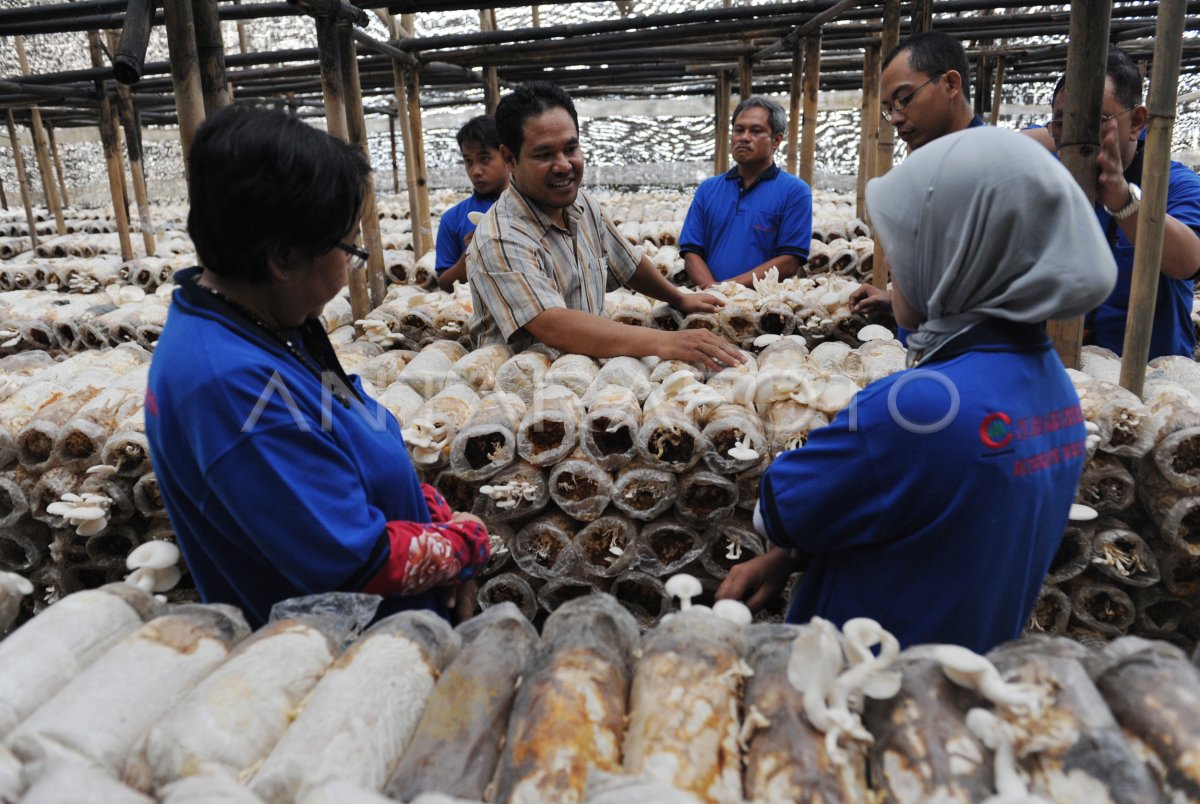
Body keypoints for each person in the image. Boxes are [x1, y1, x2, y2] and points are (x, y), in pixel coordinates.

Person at [716, 128, 1117, 652]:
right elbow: (945, 522)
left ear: (958, 257)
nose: (893, 269)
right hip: (965, 671)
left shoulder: (921, 406)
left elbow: (781, 510)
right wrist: (791, 561)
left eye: (909, 247)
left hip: (874, 688)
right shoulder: (1052, 388)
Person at [145, 106, 490, 628]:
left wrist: (431, 512)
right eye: (349, 246)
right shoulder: (231, 384)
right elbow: (354, 562)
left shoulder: (277, 325)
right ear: (283, 259)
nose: (353, 263)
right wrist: (464, 547)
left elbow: (341, 418)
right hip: (339, 656)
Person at [467, 81, 744, 371]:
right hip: (525, 393)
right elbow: (553, 325)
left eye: (570, 148)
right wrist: (663, 341)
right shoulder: (500, 237)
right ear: (510, 158)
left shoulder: (582, 205)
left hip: (588, 375)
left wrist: (678, 298)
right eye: (544, 154)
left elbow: (629, 263)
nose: (563, 165)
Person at [1034, 48, 1200, 359]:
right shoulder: (1051, 184)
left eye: (1094, 120)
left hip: (1153, 385)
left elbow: (1188, 262)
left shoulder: (1175, 185)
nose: (1075, 136)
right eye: (1062, 122)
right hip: (1066, 379)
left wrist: (1124, 202)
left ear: (1137, 122)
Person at [849, 30, 985, 319]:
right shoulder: (931, 171)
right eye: (889, 109)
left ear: (950, 84)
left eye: (904, 99)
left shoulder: (991, 170)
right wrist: (896, 298)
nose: (896, 118)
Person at [678, 96, 812, 287]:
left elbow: (789, 261)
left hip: (766, 308)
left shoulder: (795, 192)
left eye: (756, 131)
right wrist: (711, 291)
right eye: (739, 130)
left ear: (776, 140)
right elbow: (691, 251)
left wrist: (726, 290)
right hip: (706, 304)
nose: (744, 137)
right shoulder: (708, 189)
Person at [435, 115, 509, 292]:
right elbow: (444, 283)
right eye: (468, 161)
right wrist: (468, 257)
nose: (475, 171)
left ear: (506, 155)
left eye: (484, 159)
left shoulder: (529, 208)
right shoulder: (453, 219)